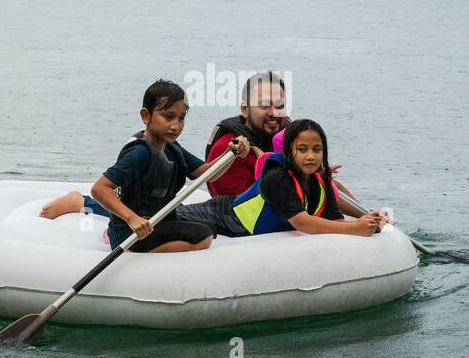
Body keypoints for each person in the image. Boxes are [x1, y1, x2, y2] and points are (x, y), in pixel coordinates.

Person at [86, 80, 251, 253]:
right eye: (168, 117)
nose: (175, 126)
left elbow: (208, 174)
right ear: (146, 116)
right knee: (203, 236)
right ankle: (135, 254)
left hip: (159, 221)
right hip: (132, 233)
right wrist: (132, 219)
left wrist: (231, 153)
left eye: (181, 118)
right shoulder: (139, 153)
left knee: (208, 226)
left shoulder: (172, 146)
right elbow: (99, 188)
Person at [185, 118, 388, 239]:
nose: (310, 156)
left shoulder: (321, 178)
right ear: (289, 152)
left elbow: (334, 220)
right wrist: (355, 228)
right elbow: (302, 222)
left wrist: (366, 222)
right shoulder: (277, 177)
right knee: (170, 219)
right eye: (302, 149)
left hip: (234, 219)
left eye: (317, 150)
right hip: (223, 216)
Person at [201, 71, 288, 197]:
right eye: (264, 105)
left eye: (280, 105)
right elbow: (247, 210)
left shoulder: (294, 141)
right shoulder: (229, 148)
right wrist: (269, 166)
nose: (274, 113)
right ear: (245, 110)